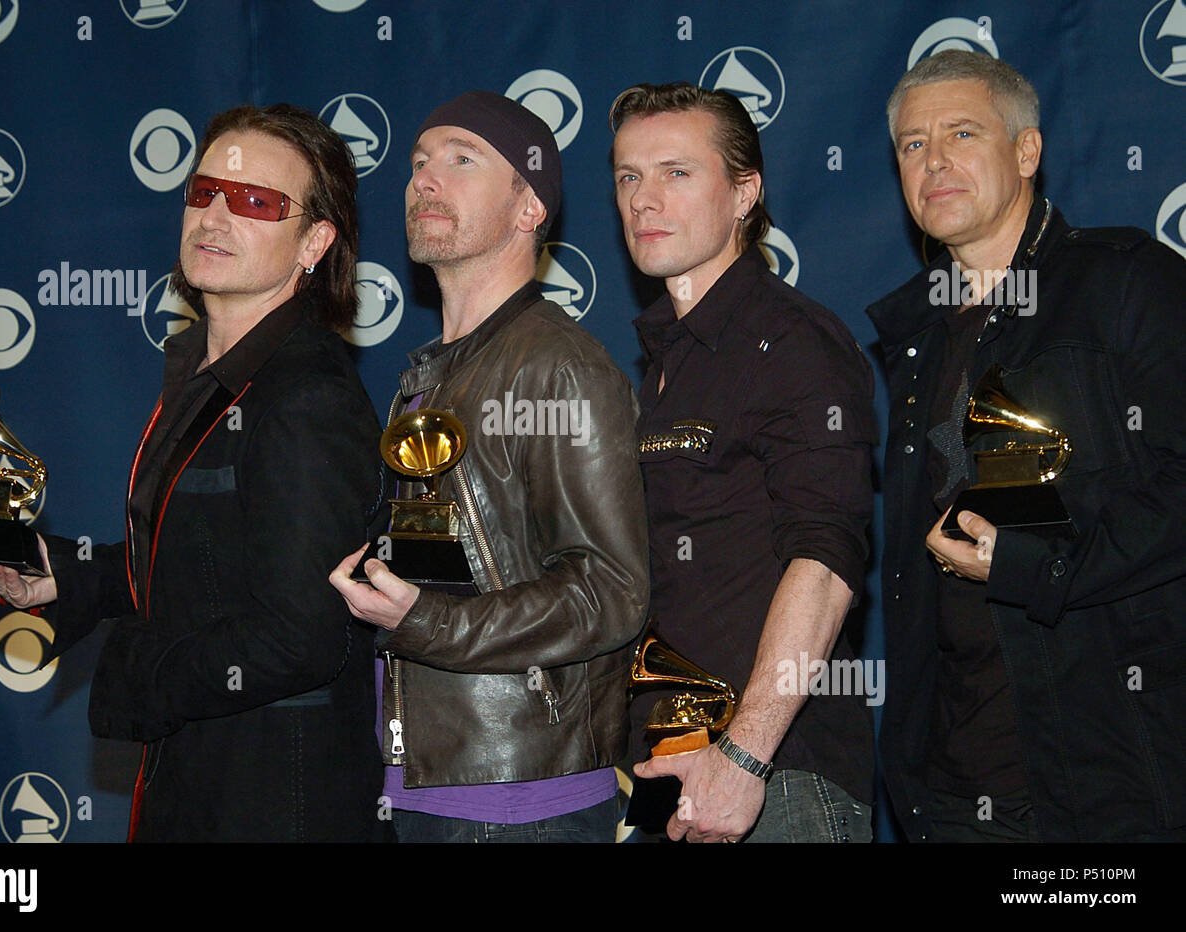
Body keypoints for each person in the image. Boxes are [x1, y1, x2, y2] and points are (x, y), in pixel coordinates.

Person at [0, 104, 389, 842]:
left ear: (314, 241)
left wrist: (133, 673)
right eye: (203, 191)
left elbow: (302, 636)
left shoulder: (304, 396)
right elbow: (209, 559)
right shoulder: (209, 374)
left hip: (272, 806)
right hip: (195, 783)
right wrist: (65, 574)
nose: (216, 215)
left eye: (255, 202)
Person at [868, 50, 1186, 842]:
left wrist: (1025, 563)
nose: (933, 160)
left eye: (962, 133)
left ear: (1027, 151)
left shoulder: (1125, 284)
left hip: (1104, 783)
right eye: (912, 144)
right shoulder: (914, 336)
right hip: (948, 787)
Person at [329, 90, 649, 843]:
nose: (425, 180)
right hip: (431, 783)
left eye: (462, 160)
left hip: (519, 797)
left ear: (529, 206)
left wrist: (424, 620)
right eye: (417, 164)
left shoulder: (559, 366)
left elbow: (610, 592)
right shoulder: (425, 380)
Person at [611, 82, 877, 843]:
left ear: (745, 194)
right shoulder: (666, 362)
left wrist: (746, 755)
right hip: (676, 769)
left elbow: (826, 564)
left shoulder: (793, 342)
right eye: (628, 176)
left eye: (676, 173)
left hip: (776, 779)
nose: (643, 199)